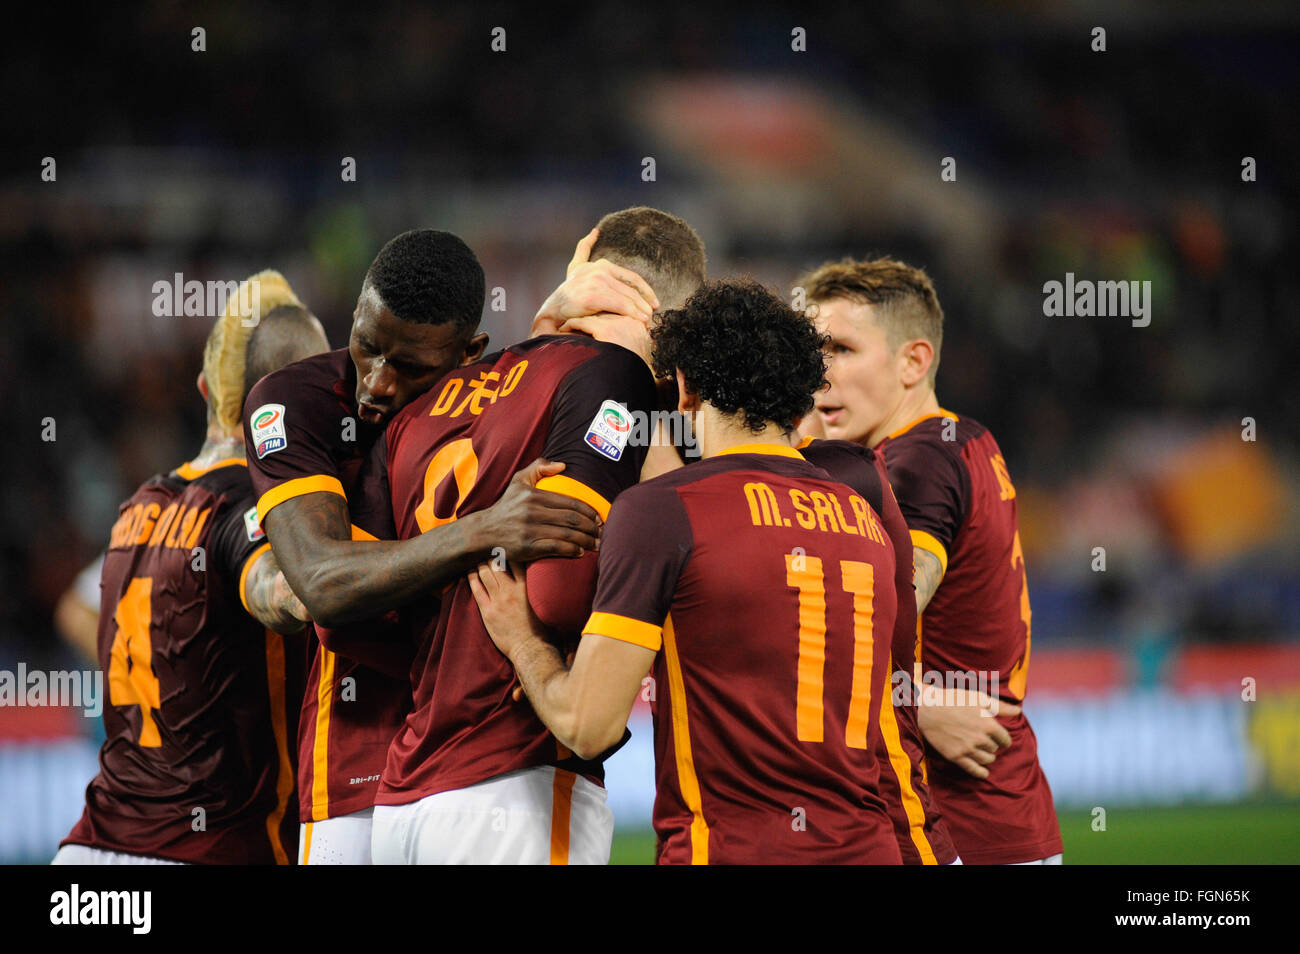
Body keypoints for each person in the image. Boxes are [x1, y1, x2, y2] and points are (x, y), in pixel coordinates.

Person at [471, 279, 903, 864]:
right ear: (802, 400)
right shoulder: (864, 513)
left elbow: (587, 724)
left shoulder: (661, 513)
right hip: (871, 849)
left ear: (685, 388)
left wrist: (522, 641)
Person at [243, 229, 610, 864]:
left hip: (484, 744)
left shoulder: (516, 400)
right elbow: (323, 582)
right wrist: (485, 529)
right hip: (353, 757)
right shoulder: (296, 402)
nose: (376, 385)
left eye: (409, 367)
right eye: (366, 347)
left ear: (471, 352)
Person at [367, 214, 707, 865]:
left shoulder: (431, 400)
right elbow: (555, 591)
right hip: (517, 779)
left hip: (405, 792)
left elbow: (352, 615)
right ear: (673, 316)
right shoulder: (623, 389)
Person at [55, 271, 327, 864]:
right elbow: (288, 594)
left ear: (205, 388)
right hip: (207, 850)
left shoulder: (138, 509)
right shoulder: (251, 511)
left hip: (89, 854)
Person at [800, 256, 1062, 864]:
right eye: (811, 351)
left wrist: (911, 703)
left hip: (960, 822)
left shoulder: (916, 463)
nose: (819, 373)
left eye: (840, 348)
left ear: (913, 361)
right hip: (1001, 812)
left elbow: (888, 603)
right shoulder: (961, 440)